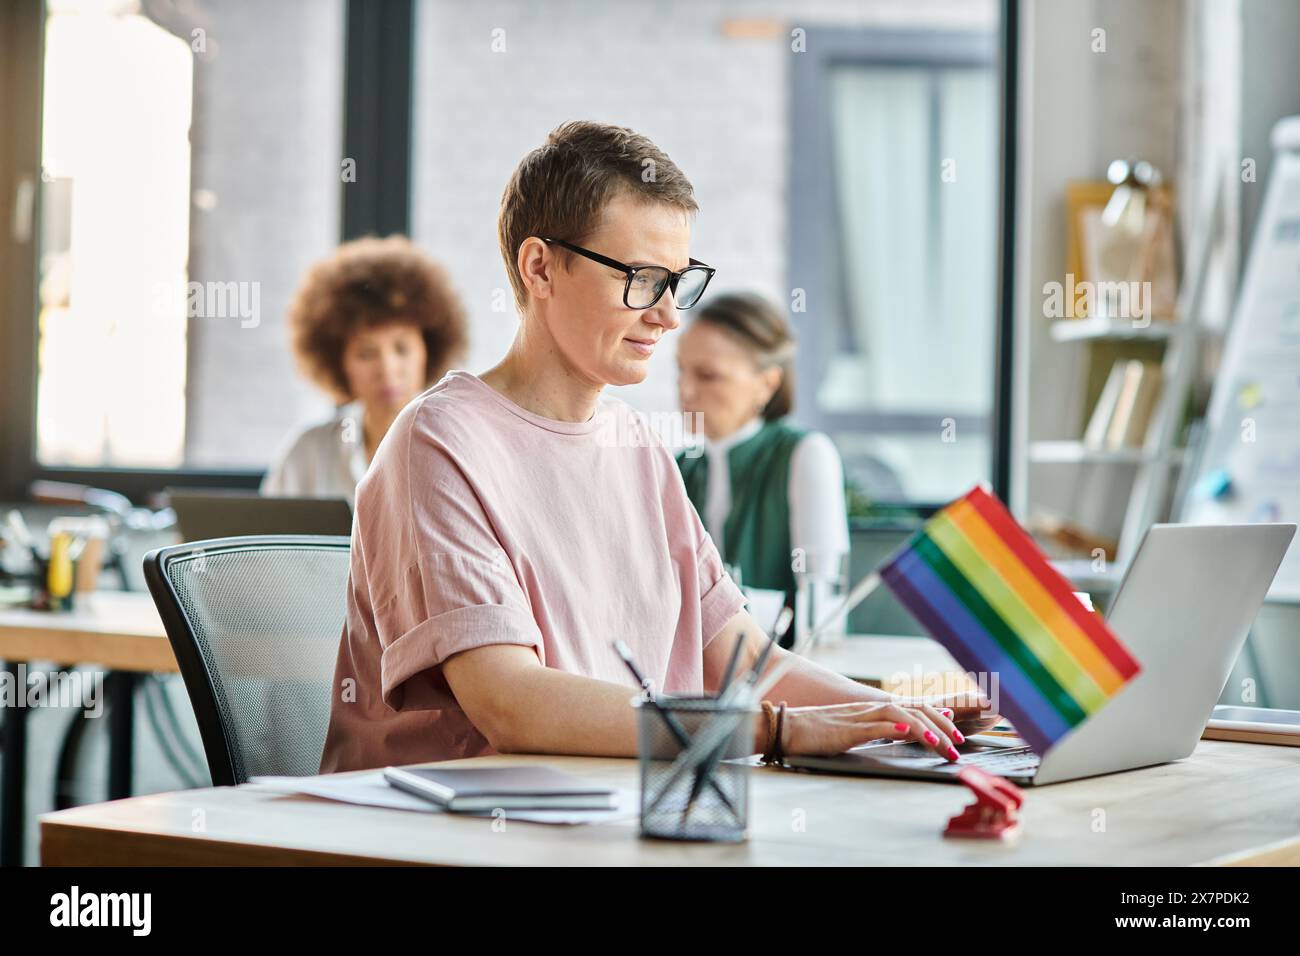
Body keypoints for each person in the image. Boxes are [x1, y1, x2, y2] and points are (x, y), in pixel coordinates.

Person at [319, 121, 992, 774]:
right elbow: (509, 700)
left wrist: (902, 716)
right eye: (641, 277)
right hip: (451, 835)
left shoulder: (637, 445)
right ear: (540, 268)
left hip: (604, 818)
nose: (669, 314)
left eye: (678, 281)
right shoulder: (438, 443)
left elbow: (749, 663)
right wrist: (773, 730)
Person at [675, 292, 849, 639]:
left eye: (708, 375)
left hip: (791, 678)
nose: (686, 389)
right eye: (681, 370)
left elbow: (825, 614)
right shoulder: (679, 469)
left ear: (767, 384)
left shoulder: (805, 454)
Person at [261, 236, 468, 505]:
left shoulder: (457, 450)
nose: (387, 368)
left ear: (428, 350)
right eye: (366, 353)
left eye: (402, 349)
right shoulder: (308, 453)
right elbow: (264, 540)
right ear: (339, 362)